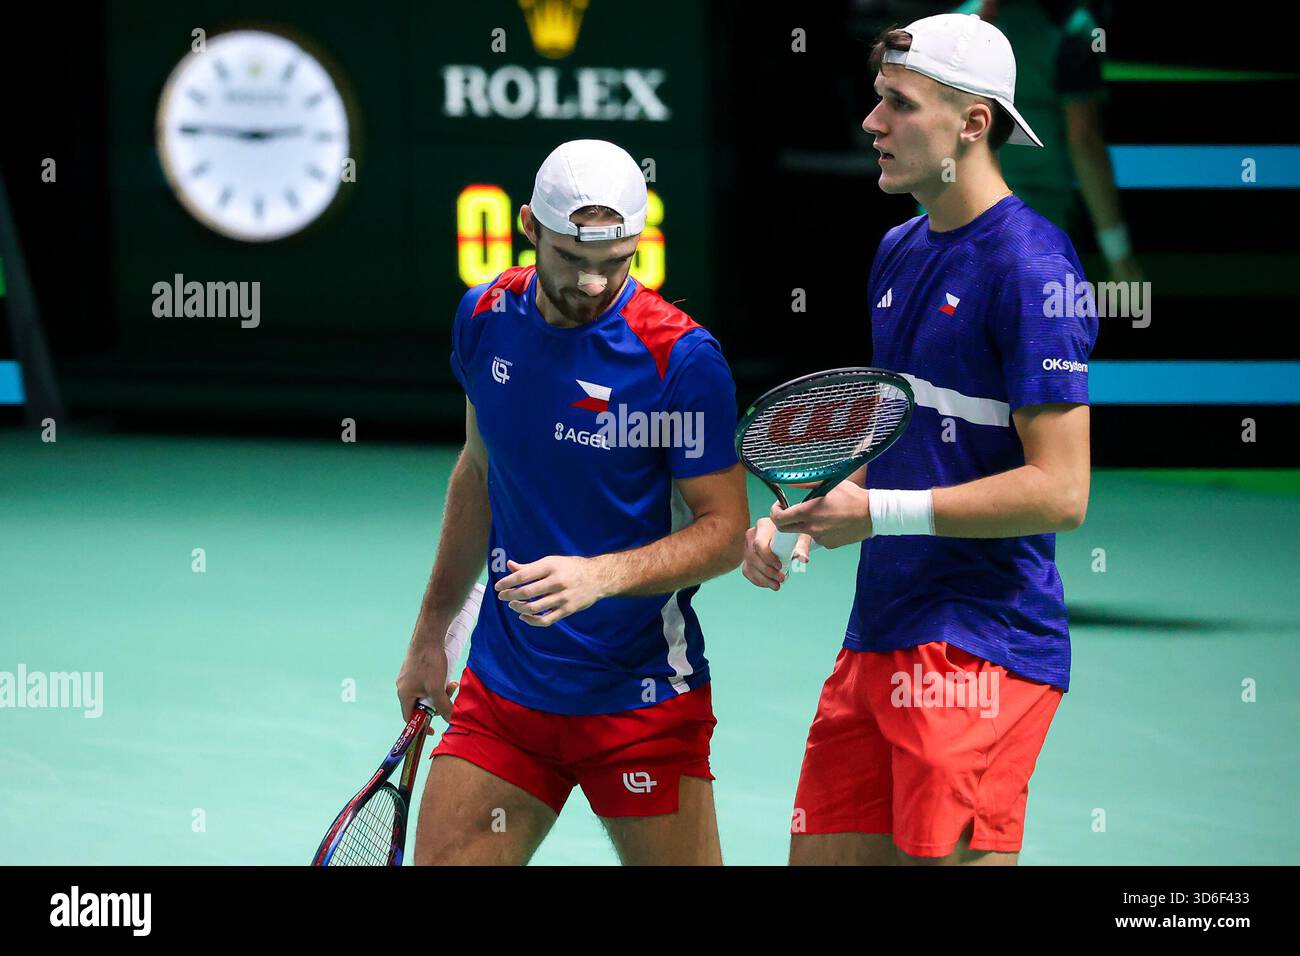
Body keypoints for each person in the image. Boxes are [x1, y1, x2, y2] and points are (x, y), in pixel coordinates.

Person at [742, 14, 1097, 865]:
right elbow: (892, 418)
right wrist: (803, 505)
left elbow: (1062, 492)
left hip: (984, 647)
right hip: (880, 632)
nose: (872, 123)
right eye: (877, 101)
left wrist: (878, 513)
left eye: (898, 105)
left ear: (973, 124)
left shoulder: (1034, 269)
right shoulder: (898, 250)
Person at [396, 139, 748, 865]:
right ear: (529, 226)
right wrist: (431, 630)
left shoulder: (679, 359)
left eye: (616, 262)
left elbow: (725, 532)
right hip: (506, 695)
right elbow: (478, 470)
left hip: (641, 698)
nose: (593, 284)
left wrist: (601, 575)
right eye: (571, 259)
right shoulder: (485, 317)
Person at [955, 0, 1142, 282]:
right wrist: (1119, 255)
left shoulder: (949, 26)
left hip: (948, 224)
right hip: (1035, 231)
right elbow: (1085, 142)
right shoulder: (1073, 30)